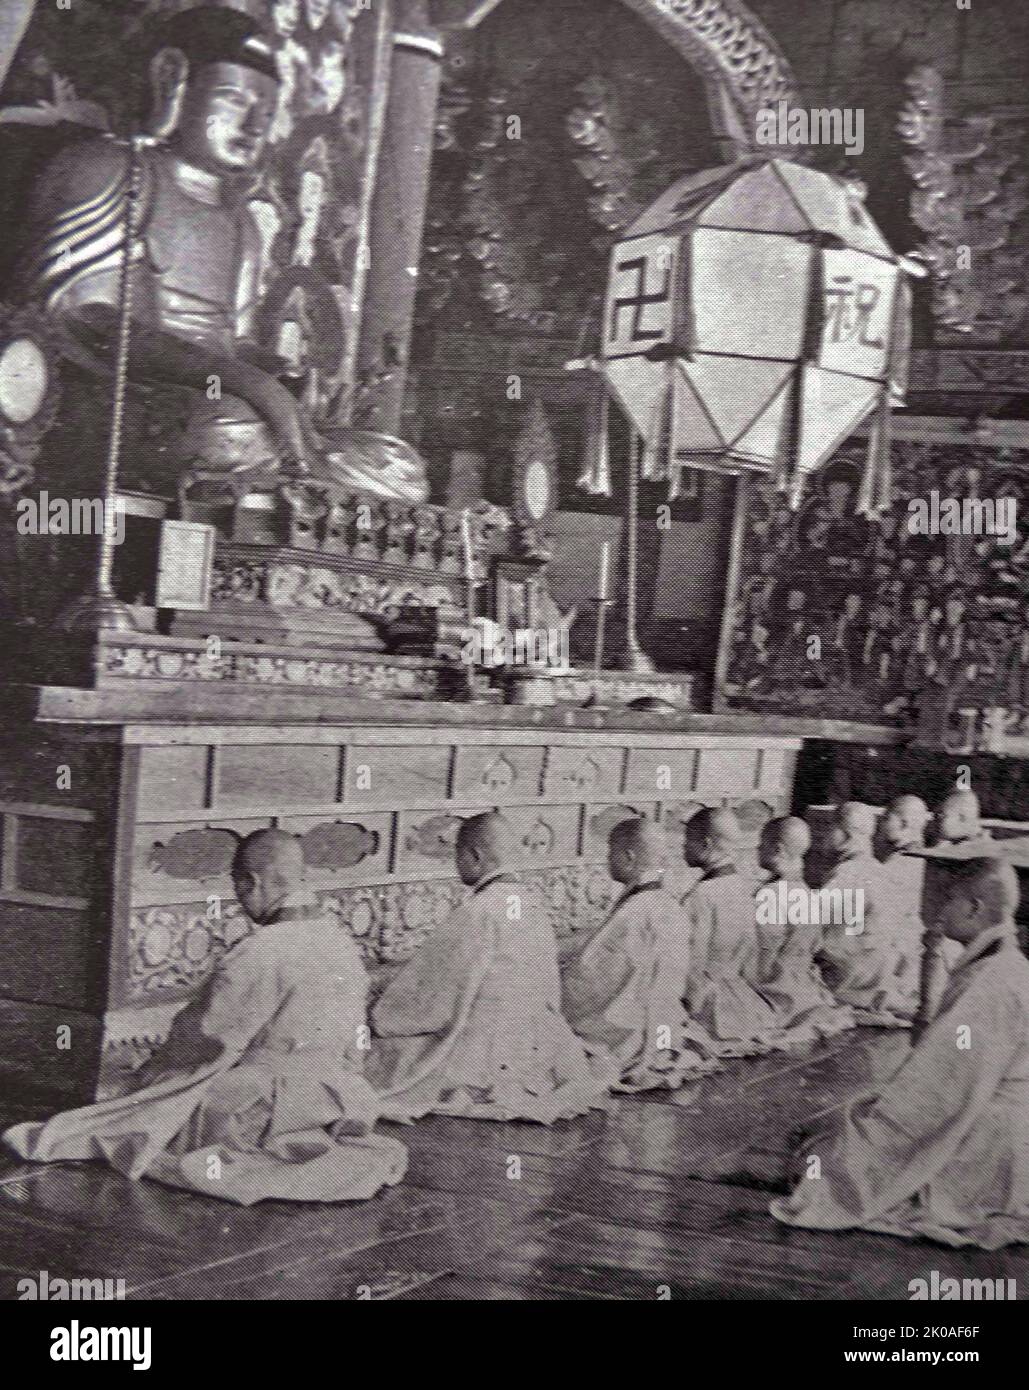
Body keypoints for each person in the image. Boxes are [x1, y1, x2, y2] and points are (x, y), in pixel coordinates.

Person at [17, 5, 428, 502]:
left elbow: (228, 339)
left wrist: (274, 373)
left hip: (212, 394)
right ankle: (291, 470)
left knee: (395, 461)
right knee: (223, 426)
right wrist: (235, 378)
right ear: (174, 83)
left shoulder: (240, 223)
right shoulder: (111, 170)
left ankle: (291, 468)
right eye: (233, 99)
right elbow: (71, 319)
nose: (255, 124)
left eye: (267, 111)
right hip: (119, 391)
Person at [3, 830, 407, 1205]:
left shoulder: (260, 952)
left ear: (250, 883)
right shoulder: (339, 940)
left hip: (264, 1106)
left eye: (239, 890)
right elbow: (356, 1040)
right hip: (336, 1098)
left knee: (132, 1103)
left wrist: (147, 1075)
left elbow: (204, 1047)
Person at [772, 857, 1029, 1249]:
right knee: (847, 1125)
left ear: (974, 908)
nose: (940, 911)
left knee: (837, 1160)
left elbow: (941, 1090)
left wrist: (880, 1128)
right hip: (1001, 1124)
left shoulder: (990, 983)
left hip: (988, 1140)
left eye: (949, 900)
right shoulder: (1007, 964)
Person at [366, 812, 609, 1123]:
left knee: (378, 1059)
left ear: (474, 856)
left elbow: (432, 994)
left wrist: (381, 1017)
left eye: (458, 854)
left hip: (482, 1048)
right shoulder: (531, 904)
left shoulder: (478, 912)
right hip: (533, 1045)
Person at [561, 818, 715, 1092]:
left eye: (610, 852)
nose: (607, 860)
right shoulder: (670, 904)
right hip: (664, 1027)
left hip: (627, 1034)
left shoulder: (633, 913)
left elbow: (590, 979)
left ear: (628, 857)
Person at [679, 807, 781, 1056]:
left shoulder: (701, 895)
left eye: (687, 842)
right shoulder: (742, 886)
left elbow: (693, 961)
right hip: (742, 999)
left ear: (706, 843)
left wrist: (686, 1008)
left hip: (708, 1004)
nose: (683, 848)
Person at [753, 817, 853, 1043]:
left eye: (762, 843)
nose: (757, 848)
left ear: (778, 849)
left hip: (775, 989)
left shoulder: (771, 895)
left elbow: (763, 956)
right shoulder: (807, 891)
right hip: (803, 985)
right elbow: (816, 945)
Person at [815, 802, 914, 1024]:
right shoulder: (881, 871)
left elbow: (809, 928)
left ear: (847, 835)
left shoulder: (845, 875)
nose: (824, 834)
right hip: (879, 972)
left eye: (831, 827)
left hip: (849, 975)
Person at [875, 793, 932, 999]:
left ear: (904, 823)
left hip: (896, 958)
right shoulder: (918, 858)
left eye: (886, 817)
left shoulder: (903, 864)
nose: (880, 822)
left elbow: (881, 917)